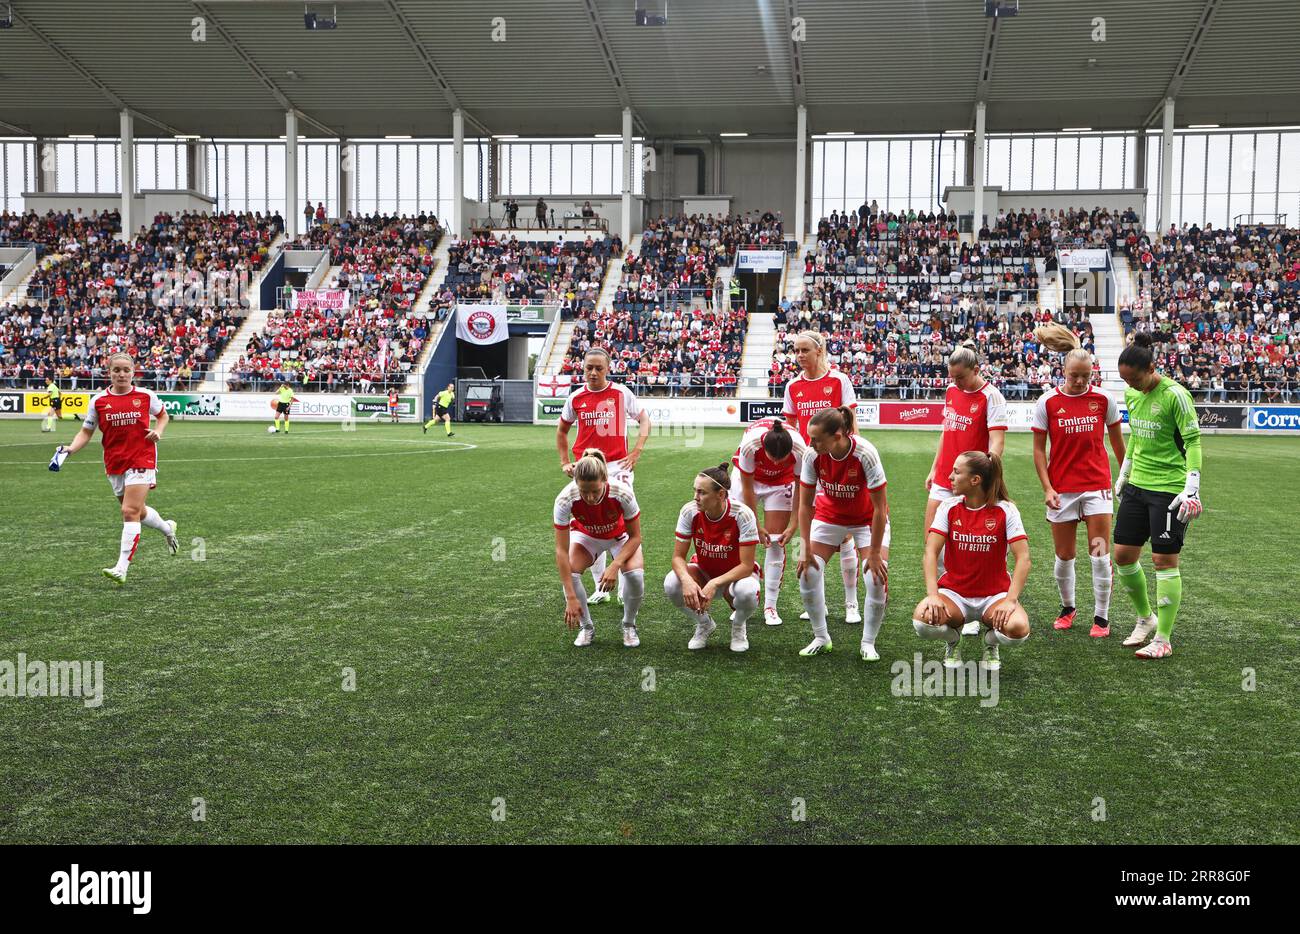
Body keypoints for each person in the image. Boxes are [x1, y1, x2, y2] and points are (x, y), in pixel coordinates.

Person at [49, 352, 178, 586]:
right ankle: (167, 528)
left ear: (133, 372)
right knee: (136, 511)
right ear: (108, 372)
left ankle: (121, 568)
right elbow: (86, 432)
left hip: (142, 457)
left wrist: (158, 432)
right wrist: (70, 449)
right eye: (116, 370)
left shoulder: (146, 396)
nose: (121, 374)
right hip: (114, 461)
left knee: (129, 511)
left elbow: (163, 416)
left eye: (126, 370)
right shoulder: (98, 401)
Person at [1112, 331, 1204, 660]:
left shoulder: (1176, 396)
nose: (1131, 386)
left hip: (1169, 488)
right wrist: (1124, 473)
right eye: (1125, 380)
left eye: (1135, 379)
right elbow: (1136, 435)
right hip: (1138, 484)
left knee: (1163, 560)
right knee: (1123, 555)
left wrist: (1191, 486)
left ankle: (1163, 638)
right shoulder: (1133, 395)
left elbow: (1193, 443)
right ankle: (1145, 617)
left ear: (1152, 368)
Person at [1031, 323, 1126, 638]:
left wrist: (1126, 477)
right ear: (1064, 370)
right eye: (1074, 376)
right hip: (1062, 492)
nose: (1080, 381)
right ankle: (1068, 608)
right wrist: (1047, 488)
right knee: (1064, 555)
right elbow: (1038, 450)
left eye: (1086, 376)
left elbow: (1117, 445)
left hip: (1097, 490)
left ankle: (1101, 618)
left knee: (1099, 554)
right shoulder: (1047, 403)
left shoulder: (1103, 400)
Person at [913, 452, 1031, 671]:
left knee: (1017, 631)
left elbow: (1023, 558)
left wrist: (1010, 601)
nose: (950, 477)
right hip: (954, 594)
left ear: (975, 480)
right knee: (922, 622)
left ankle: (990, 642)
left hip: (995, 596)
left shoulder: (1006, 510)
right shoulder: (949, 507)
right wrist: (933, 594)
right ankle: (953, 639)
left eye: (957, 472)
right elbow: (930, 551)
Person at [922, 342, 1008, 635]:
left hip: (972, 481)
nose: (955, 382)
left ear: (975, 369)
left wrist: (987, 478)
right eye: (952, 376)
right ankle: (953, 600)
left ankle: (979, 604)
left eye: (960, 376)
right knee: (933, 541)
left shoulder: (991, 397)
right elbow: (947, 433)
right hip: (947, 477)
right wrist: (935, 468)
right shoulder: (951, 392)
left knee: (974, 542)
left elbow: (996, 442)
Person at [556, 347, 651, 605]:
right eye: (589, 368)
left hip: (618, 468)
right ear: (583, 368)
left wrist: (636, 451)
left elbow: (645, 420)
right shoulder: (576, 398)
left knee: (617, 519)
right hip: (586, 467)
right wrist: (565, 462)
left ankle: (621, 581)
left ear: (608, 368)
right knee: (589, 519)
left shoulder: (621, 393)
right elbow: (562, 431)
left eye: (599, 368)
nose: (594, 372)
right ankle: (600, 586)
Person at [795, 405, 889, 660]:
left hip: (867, 520)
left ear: (837, 435)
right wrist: (804, 549)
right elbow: (805, 505)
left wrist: (876, 553)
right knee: (808, 571)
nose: (811, 443)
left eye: (816, 439)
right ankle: (820, 637)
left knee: (876, 578)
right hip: (829, 517)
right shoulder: (811, 456)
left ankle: (868, 643)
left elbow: (880, 508)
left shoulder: (865, 453)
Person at [781, 331, 862, 626]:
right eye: (796, 351)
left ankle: (852, 603)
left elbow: (852, 425)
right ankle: (819, 602)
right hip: (810, 467)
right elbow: (790, 430)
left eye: (805, 350)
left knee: (846, 533)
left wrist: (854, 460)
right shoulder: (792, 386)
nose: (800, 356)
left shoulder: (839, 381)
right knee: (816, 533)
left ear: (819, 351)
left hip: (839, 465)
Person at [553, 449, 644, 647]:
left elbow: (636, 537)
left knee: (635, 576)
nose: (590, 497)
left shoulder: (622, 492)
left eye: (595, 491)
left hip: (620, 537)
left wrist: (615, 566)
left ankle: (629, 624)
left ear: (605, 479)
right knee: (572, 572)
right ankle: (586, 628)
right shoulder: (565, 499)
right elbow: (561, 551)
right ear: (576, 483)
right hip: (587, 536)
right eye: (584, 491)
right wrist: (570, 597)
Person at [666, 464, 761, 652]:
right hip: (703, 571)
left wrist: (715, 584)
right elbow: (678, 557)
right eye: (695, 491)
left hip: (736, 577)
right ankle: (704, 624)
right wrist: (686, 580)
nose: (695, 497)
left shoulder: (742, 514)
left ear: (721, 494)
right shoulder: (689, 511)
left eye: (702, 492)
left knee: (748, 591)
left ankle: (738, 627)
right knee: (671, 583)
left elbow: (747, 566)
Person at [732, 416, 807, 627]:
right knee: (740, 536)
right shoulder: (750, 445)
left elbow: (801, 486)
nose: (775, 463)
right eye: (771, 457)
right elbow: (747, 488)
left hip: (781, 484)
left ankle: (770, 606)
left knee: (776, 540)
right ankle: (747, 583)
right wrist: (755, 524)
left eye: (780, 460)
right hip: (750, 480)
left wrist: (794, 524)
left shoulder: (800, 449)